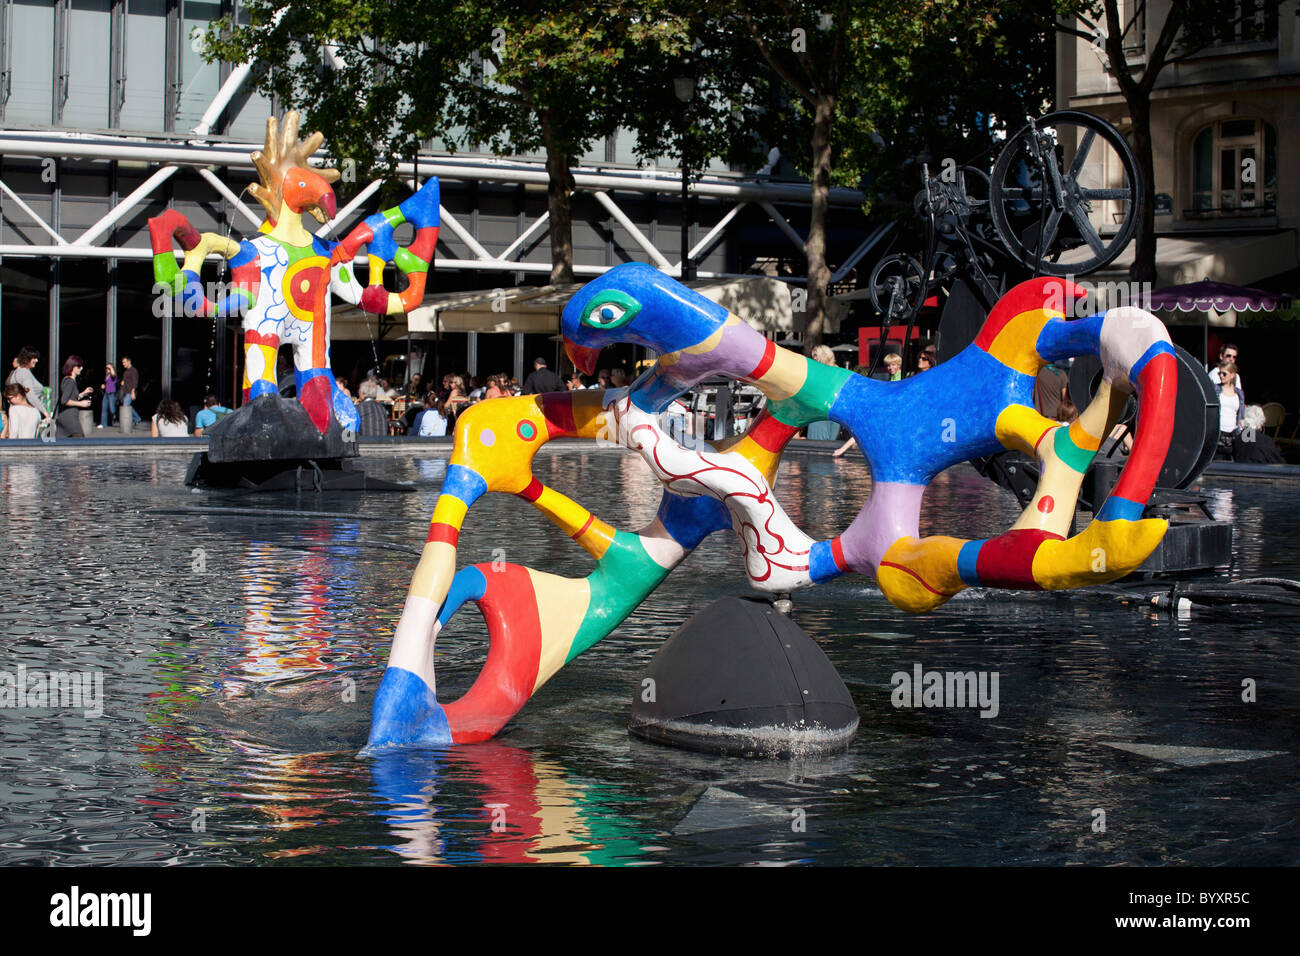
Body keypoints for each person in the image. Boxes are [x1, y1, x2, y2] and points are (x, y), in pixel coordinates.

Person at [7, 345, 51, 421]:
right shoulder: (24, 373)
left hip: (18, 412)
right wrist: (45, 412)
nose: (36, 360)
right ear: (27, 359)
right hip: (26, 414)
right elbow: (30, 394)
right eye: (34, 358)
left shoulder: (18, 372)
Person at [806, 345, 841, 440]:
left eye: (816, 355)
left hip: (827, 413)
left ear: (824, 355)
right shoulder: (835, 372)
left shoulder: (833, 372)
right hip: (822, 413)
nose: (814, 358)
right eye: (813, 356)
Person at [56, 355, 93, 437]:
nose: (81, 368)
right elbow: (64, 400)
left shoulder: (69, 380)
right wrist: (81, 404)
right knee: (79, 440)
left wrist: (82, 394)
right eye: (79, 366)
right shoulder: (69, 382)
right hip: (69, 417)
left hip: (68, 417)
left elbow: (71, 398)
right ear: (72, 367)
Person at [1214, 361, 1244, 460]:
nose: (1221, 376)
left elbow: (1241, 414)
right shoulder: (1215, 389)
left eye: (1224, 373)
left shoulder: (1239, 393)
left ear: (1232, 375)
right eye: (1219, 373)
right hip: (1219, 432)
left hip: (1234, 433)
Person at [119, 355, 142, 427]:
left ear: (129, 362)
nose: (123, 364)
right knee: (127, 406)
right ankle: (137, 419)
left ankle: (137, 419)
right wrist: (123, 382)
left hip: (130, 391)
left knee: (126, 406)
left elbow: (135, 382)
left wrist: (133, 392)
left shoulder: (133, 370)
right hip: (126, 391)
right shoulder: (126, 371)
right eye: (122, 362)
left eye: (124, 362)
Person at [99, 363, 118, 428]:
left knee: (112, 408)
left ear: (112, 368)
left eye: (108, 368)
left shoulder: (114, 375)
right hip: (106, 393)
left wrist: (111, 368)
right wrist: (104, 386)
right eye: (106, 368)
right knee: (104, 408)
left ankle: (116, 417)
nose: (107, 369)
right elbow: (108, 383)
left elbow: (113, 376)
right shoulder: (107, 375)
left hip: (111, 393)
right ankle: (103, 423)